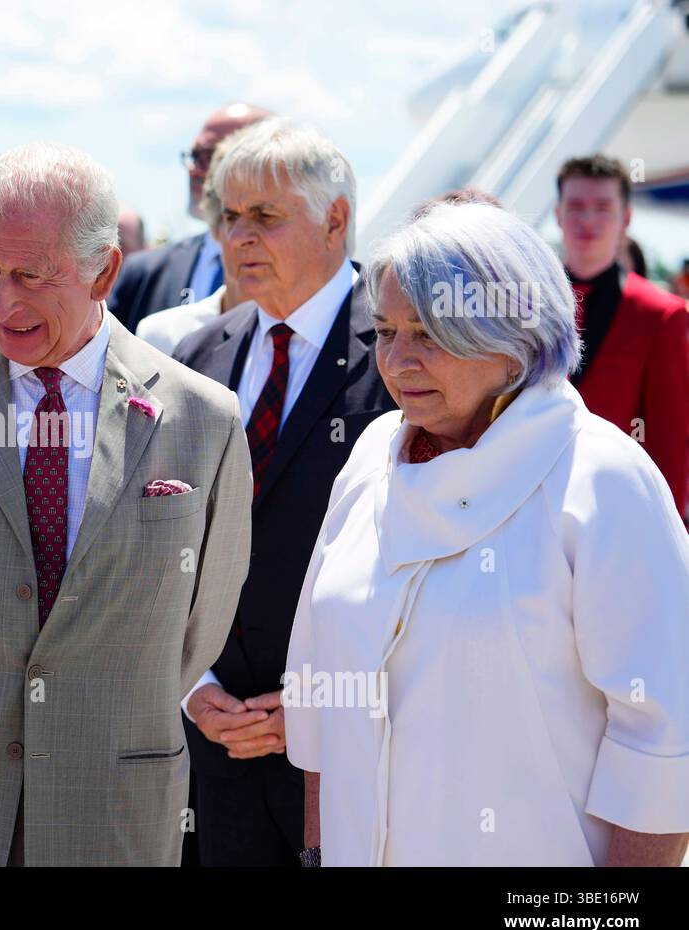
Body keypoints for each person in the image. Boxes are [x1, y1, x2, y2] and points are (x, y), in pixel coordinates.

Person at [0, 143, 253, 866]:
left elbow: (199, 627)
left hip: (109, 809)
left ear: (105, 270)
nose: (3, 304)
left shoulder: (203, 420)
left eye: (31, 275)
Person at [286, 201, 689, 866]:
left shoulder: (602, 477)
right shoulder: (368, 460)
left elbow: (665, 742)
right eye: (384, 331)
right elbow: (318, 694)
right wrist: (316, 852)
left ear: (517, 338)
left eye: (430, 334)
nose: (398, 361)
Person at [173, 119, 394, 866]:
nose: (239, 236)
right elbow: (160, 536)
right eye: (229, 218)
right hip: (214, 747)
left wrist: (318, 705)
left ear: (336, 220)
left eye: (265, 216)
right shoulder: (198, 355)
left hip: (349, 752)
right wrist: (191, 684)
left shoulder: (403, 351)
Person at [555, 155, 689, 515]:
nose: (588, 219)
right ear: (557, 214)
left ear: (625, 218)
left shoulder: (662, 314)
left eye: (602, 207)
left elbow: (669, 443)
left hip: (614, 512)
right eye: (576, 206)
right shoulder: (527, 304)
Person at [108, 103, 272, 332]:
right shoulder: (145, 273)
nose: (194, 169)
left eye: (211, 156)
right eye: (194, 156)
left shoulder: (304, 277)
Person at [137, 131, 250, 355]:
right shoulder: (165, 335)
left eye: (269, 217)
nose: (250, 236)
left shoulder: (308, 337)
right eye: (233, 217)